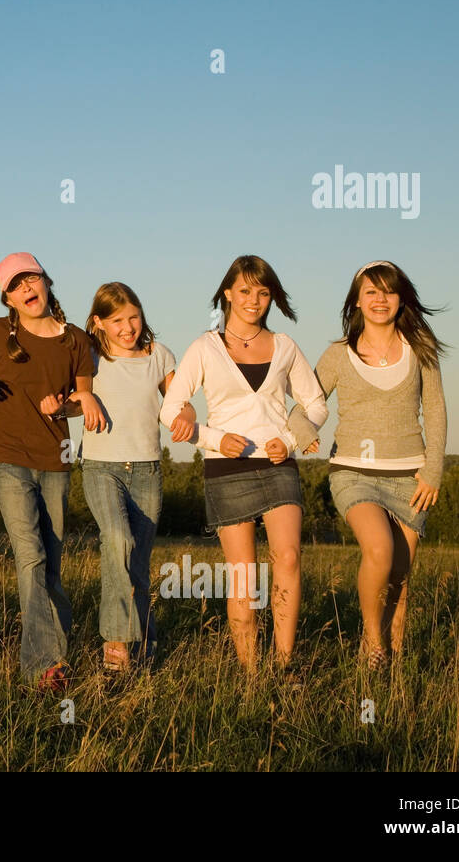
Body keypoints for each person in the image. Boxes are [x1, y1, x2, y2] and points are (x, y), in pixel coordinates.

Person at [160, 255, 327, 669]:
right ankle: (251, 674)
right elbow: (170, 409)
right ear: (228, 294)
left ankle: (284, 666)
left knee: (287, 558)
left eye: (264, 292)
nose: (255, 300)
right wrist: (213, 438)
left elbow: (317, 404)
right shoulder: (205, 347)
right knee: (243, 573)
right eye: (246, 291)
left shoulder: (285, 346)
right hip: (225, 467)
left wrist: (289, 441)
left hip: (278, 465)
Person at [296, 260, 447, 671]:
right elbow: (307, 404)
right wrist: (301, 430)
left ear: (401, 299)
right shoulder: (338, 354)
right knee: (379, 549)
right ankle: (372, 641)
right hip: (353, 471)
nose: (380, 299)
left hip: (411, 476)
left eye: (389, 291)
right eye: (371, 292)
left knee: (399, 578)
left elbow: (434, 410)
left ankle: (393, 665)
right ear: (357, 300)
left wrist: (434, 469)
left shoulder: (421, 349)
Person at [0, 252, 101, 692]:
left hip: (56, 459)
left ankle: (55, 643)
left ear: (46, 281)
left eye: (31, 279)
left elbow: (83, 398)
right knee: (30, 555)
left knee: (51, 560)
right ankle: (44, 666)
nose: (26, 289)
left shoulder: (75, 340)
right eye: (15, 286)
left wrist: (68, 405)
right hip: (7, 456)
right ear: (8, 299)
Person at [80, 282, 192, 673]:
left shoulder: (159, 355)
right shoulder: (89, 356)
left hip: (147, 469)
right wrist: (76, 399)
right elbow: (68, 399)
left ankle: (144, 652)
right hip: (101, 466)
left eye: (134, 317)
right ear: (99, 323)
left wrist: (188, 415)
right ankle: (115, 648)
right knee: (118, 541)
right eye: (117, 320)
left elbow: (178, 401)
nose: (128, 327)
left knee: (137, 564)